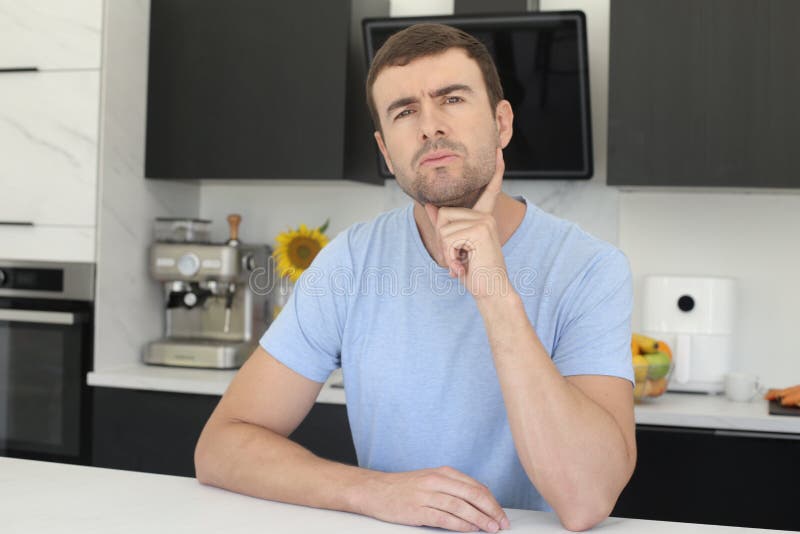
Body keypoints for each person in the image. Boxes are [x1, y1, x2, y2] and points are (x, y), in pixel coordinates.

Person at [195, 23, 636, 533]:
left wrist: (494, 292)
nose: (429, 126)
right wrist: (372, 491)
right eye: (405, 111)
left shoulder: (590, 268)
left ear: (502, 122)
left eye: (451, 99)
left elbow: (586, 501)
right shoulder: (352, 261)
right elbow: (221, 446)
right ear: (386, 151)